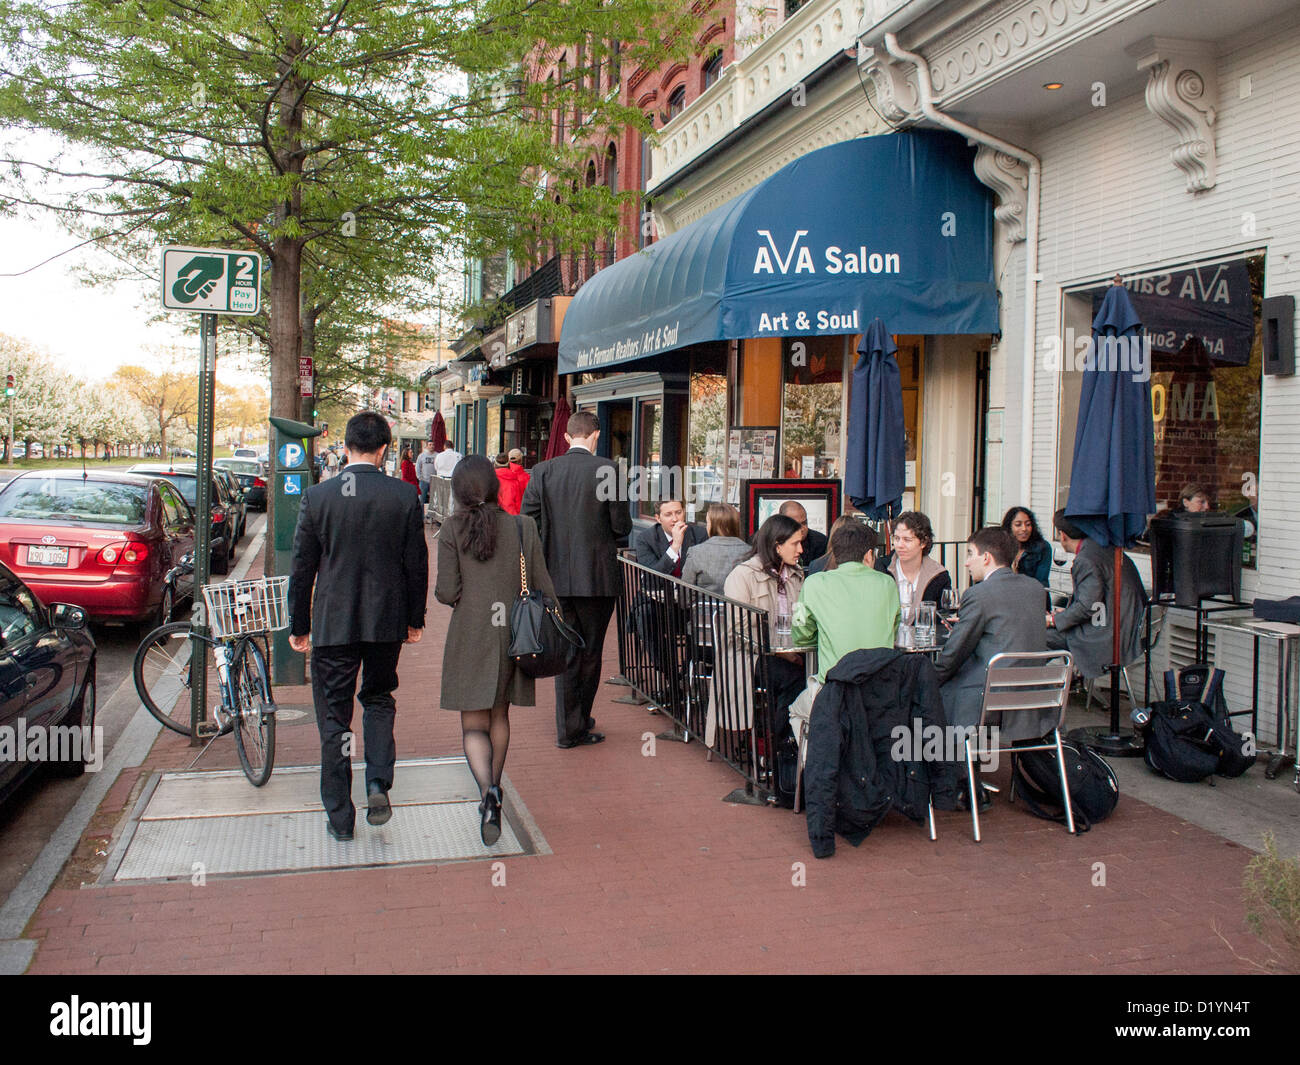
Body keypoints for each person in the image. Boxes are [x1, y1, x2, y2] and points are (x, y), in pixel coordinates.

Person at [288, 411, 428, 842]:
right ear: (385, 449)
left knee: (334, 715)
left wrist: (299, 625)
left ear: (345, 447)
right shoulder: (404, 497)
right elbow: (416, 565)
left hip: (334, 623)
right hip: (385, 620)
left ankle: (340, 817)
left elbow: (302, 569)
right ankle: (377, 783)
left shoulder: (317, 497)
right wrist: (414, 619)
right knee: (379, 698)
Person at [436, 455, 556, 845]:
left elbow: (446, 592)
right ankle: (495, 789)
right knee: (499, 714)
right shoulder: (524, 527)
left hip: (470, 634)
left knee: (473, 724)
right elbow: (542, 585)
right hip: (512, 635)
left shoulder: (452, 529)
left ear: (457, 491)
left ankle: (488, 792)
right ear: (495, 486)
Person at [521, 409, 633, 748]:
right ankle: (577, 721)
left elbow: (528, 521)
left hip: (555, 578)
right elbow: (621, 527)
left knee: (566, 650)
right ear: (596, 436)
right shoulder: (609, 471)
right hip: (598, 579)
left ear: (569, 437)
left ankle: (569, 724)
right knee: (591, 652)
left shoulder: (542, 471)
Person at [934, 527, 1054, 739]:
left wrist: (932, 678)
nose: (966, 562)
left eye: (970, 554)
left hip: (993, 696)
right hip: (1035, 695)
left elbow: (955, 652)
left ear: (987, 558)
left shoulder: (978, 594)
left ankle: (953, 767)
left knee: (934, 693)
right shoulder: (1035, 588)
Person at [715, 514, 806, 746]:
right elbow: (738, 632)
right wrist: (776, 652)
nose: (801, 549)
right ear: (777, 546)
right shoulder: (743, 575)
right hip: (749, 655)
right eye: (795, 543)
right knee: (794, 678)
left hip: (791, 650)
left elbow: (804, 619)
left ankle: (794, 740)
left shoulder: (797, 575)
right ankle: (779, 746)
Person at [792, 521, 899, 684]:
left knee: (796, 708)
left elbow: (800, 633)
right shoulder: (887, 583)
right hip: (881, 686)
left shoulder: (814, 583)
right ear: (869, 555)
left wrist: (825, 635)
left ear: (835, 552)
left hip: (835, 686)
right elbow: (894, 627)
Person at [1047, 509, 1146, 681]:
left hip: (1109, 636)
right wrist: (1067, 616)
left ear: (1062, 535)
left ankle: (1031, 691)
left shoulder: (1086, 558)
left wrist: (1054, 620)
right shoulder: (1106, 548)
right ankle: (1065, 685)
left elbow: (1087, 607)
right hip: (1125, 628)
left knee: (1038, 636)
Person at [874, 510, 952, 607]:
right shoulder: (879, 569)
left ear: (923, 542)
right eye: (897, 538)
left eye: (907, 540)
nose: (899, 545)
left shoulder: (939, 576)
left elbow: (942, 614)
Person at [680, 503, 749, 594]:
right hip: (740, 607)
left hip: (705, 607)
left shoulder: (696, 552)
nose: (706, 526)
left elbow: (685, 595)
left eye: (707, 522)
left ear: (712, 525)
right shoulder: (750, 551)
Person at [1001, 506, 1052, 587]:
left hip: (1033, 595)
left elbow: (1041, 583)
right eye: (1018, 525)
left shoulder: (1042, 547)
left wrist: (1016, 576)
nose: (1024, 528)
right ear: (1009, 527)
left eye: (1028, 524)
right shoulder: (1000, 547)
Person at [780, 500, 828, 570]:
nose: (802, 529)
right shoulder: (771, 541)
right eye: (796, 524)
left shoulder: (820, 542)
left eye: (804, 523)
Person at [495, 447, 530, 516]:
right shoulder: (524, 478)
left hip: (495, 516)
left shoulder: (492, 477)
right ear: (520, 460)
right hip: (513, 515)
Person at [415, 440, 438, 506]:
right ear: (427, 446)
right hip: (424, 481)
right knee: (421, 499)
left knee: (434, 500)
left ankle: (431, 515)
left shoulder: (438, 455)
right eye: (430, 445)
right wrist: (419, 477)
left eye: (433, 445)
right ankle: (421, 515)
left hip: (434, 481)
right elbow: (417, 467)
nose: (431, 446)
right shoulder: (421, 456)